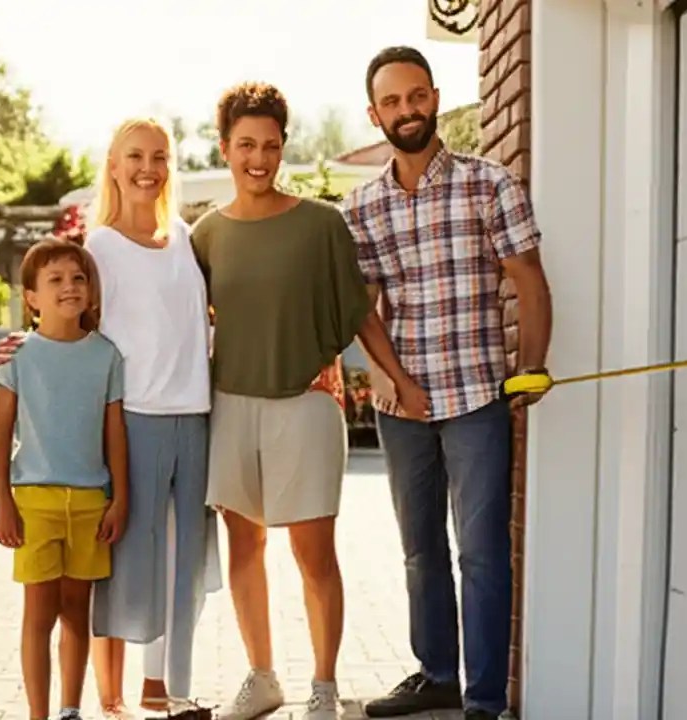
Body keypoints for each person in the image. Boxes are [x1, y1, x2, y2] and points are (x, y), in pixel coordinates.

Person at [190, 81, 426, 720]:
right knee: (246, 549)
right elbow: (164, 316)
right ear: (225, 148)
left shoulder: (322, 223)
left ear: (282, 147)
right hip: (231, 405)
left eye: (269, 145)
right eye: (245, 145)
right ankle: (262, 677)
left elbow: (359, 313)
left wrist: (399, 379)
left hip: (307, 403)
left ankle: (323, 687)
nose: (258, 158)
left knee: (313, 554)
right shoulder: (206, 234)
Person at [340, 47, 553, 720]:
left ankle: (485, 699)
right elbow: (363, 309)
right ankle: (436, 673)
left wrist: (532, 364)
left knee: (483, 553)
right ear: (375, 114)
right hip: (402, 407)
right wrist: (391, 380)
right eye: (392, 103)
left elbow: (529, 281)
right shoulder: (362, 207)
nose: (407, 111)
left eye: (416, 97)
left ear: (435, 97)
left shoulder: (489, 183)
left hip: (476, 400)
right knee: (419, 549)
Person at [0, 116, 223, 720]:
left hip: (193, 412)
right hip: (138, 413)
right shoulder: (98, 246)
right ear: (114, 166)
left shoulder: (182, 234)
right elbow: (73, 320)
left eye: (160, 156)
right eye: (135, 156)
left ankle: (169, 686)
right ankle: (111, 695)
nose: (149, 167)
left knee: (185, 559)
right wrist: (23, 344)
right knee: (128, 557)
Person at [0, 238, 131, 720]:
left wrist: (120, 498)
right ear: (30, 297)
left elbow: (115, 434)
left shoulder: (106, 356)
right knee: (39, 614)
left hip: (91, 502)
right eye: (55, 280)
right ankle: (38, 714)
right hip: (34, 504)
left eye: (78, 278)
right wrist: (3, 503)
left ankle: (71, 709)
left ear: (91, 291)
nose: (69, 287)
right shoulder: (18, 358)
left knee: (77, 610)